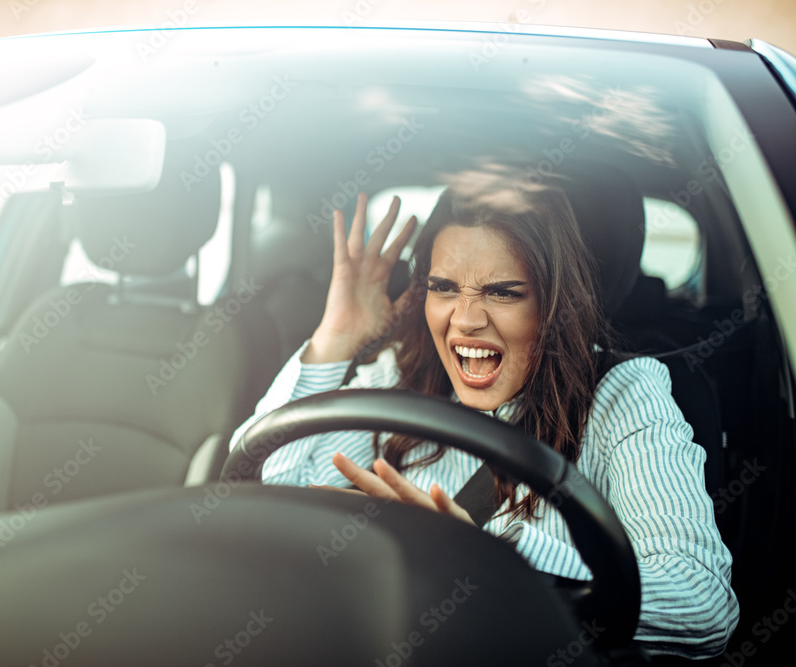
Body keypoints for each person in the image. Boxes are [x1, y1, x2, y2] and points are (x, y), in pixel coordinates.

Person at [228, 172, 739, 659]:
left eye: (502, 292)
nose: (465, 321)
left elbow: (703, 606)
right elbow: (263, 503)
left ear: (553, 303)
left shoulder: (623, 394)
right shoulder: (398, 375)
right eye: (444, 287)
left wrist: (486, 552)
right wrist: (335, 341)